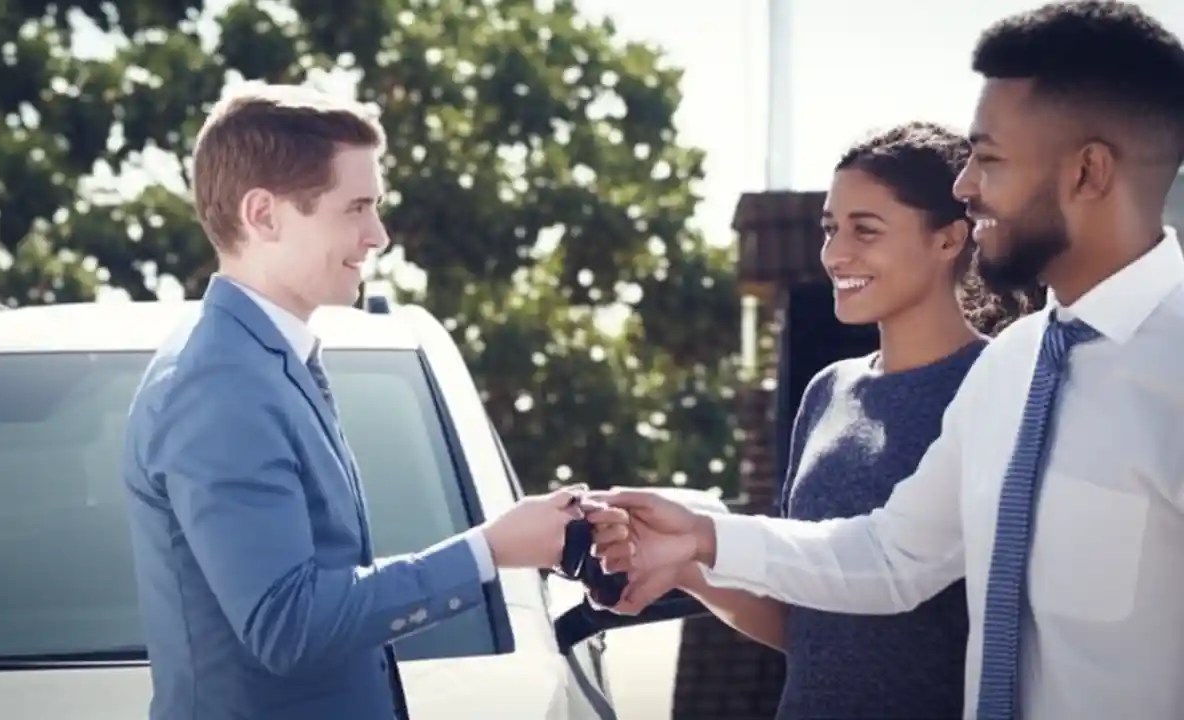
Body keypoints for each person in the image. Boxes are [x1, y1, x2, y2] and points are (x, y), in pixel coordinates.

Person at [589, 2, 1184, 719]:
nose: (965, 188)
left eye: (989, 159)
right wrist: (705, 539)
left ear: (1088, 172)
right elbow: (892, 557)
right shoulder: (1013, 370)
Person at [121, 82, 610, 720]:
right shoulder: (218, 385)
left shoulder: (263, 363)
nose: (377, 234)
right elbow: (288, 626)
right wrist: (490, 550)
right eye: (355, 207)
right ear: (263, 215)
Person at [664, 121, 1028, 719]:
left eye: (866, 230)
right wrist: (687, 567)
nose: (835, 254)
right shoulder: (828, 391)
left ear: (948, 240)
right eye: (831, 229)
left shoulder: (999, 387)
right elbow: (805, 620)